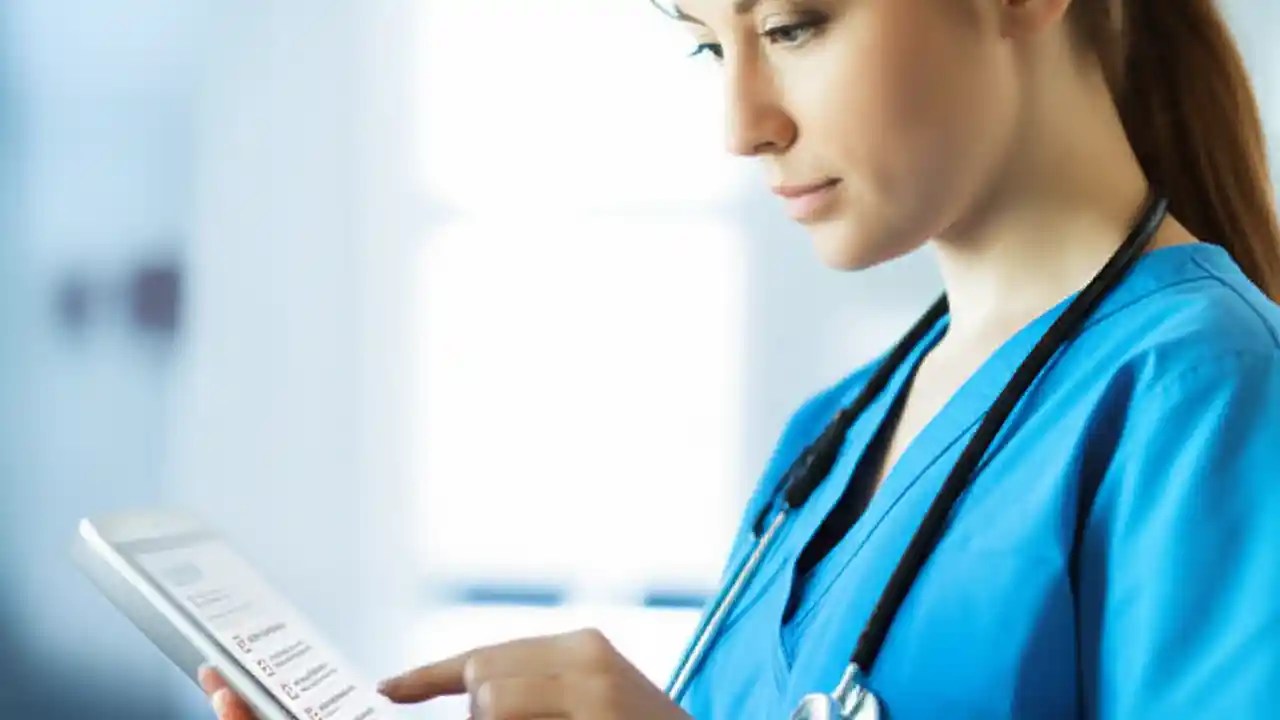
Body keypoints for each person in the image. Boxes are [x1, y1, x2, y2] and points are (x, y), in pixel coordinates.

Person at [204, 0, 1280, 717]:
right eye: (709, 45)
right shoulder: (831, 436)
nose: (739, 124)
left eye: (793, 26)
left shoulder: (1203, 393)